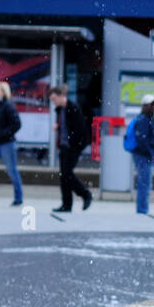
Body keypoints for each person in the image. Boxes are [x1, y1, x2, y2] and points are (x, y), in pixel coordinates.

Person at [49, 84, 92, 212]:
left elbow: (79, 129)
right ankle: (67, 204)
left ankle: (85, 194)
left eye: (54, 99)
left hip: (73, 147)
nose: (53, 102)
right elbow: (66, 126)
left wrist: (73, 145)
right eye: (52, 100)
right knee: (64, 176)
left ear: (62, 96)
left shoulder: (73, 108)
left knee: (67, 174)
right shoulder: (59, 110)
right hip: (64, 146)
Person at [130, 94, 154, 215]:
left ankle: (142, 209)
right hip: (143, 156)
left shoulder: (147, 119)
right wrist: (150, 152)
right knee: (144, 184)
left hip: (144, 155)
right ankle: (142, 210)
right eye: (152, 105)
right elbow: (142, 139)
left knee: (145, 183)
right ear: (146, 106)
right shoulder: (144, 120)